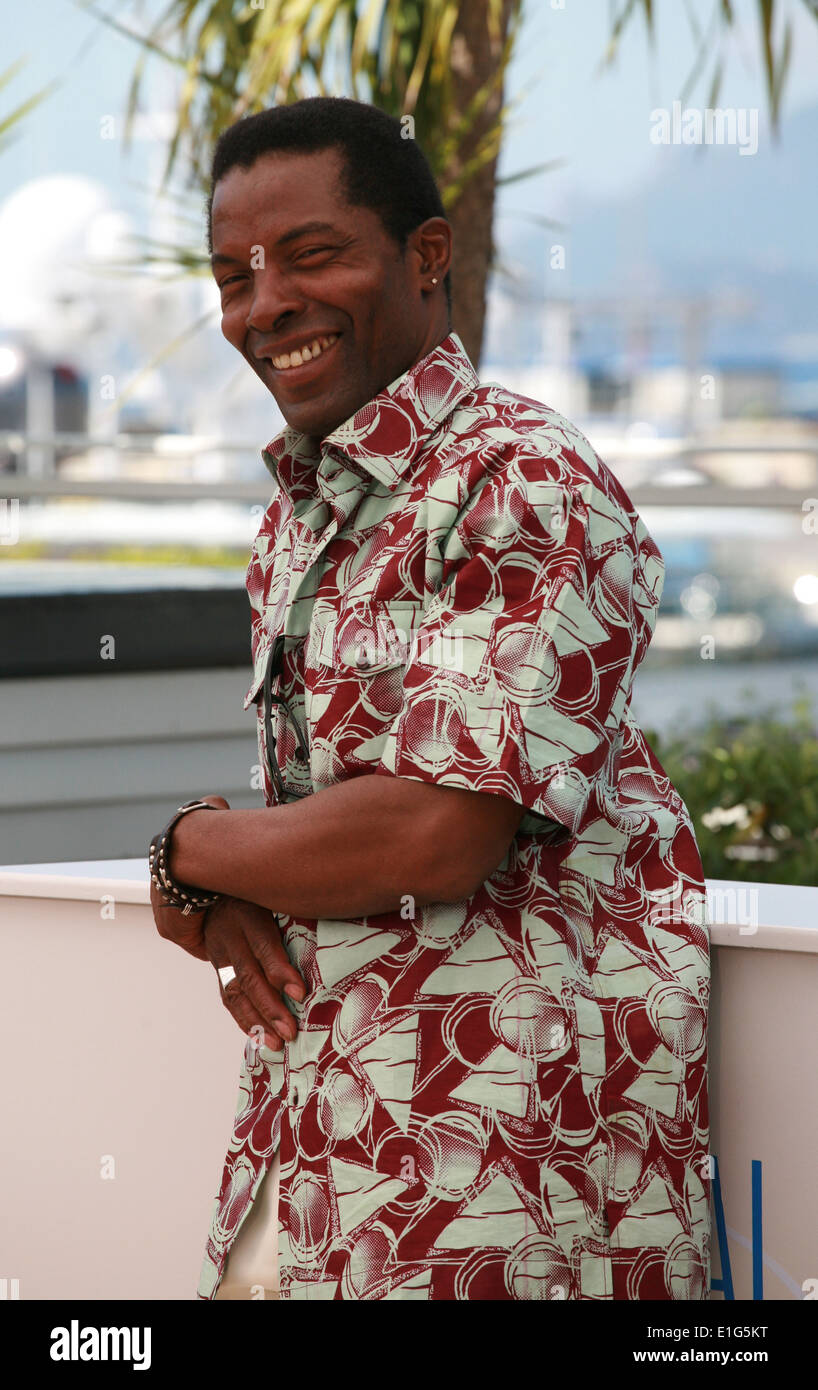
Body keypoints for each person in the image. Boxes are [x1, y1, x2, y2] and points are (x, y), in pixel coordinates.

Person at [150, 96, 711, 1302]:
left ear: (427, 255)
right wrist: (206, 876)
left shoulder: (523, 479)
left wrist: (190, 849)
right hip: (311, 1157)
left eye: (312, 255)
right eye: (235, 276)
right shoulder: (300, 515)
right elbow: (332, 823)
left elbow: (433, 830)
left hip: (496, 1184)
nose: (266, 306)